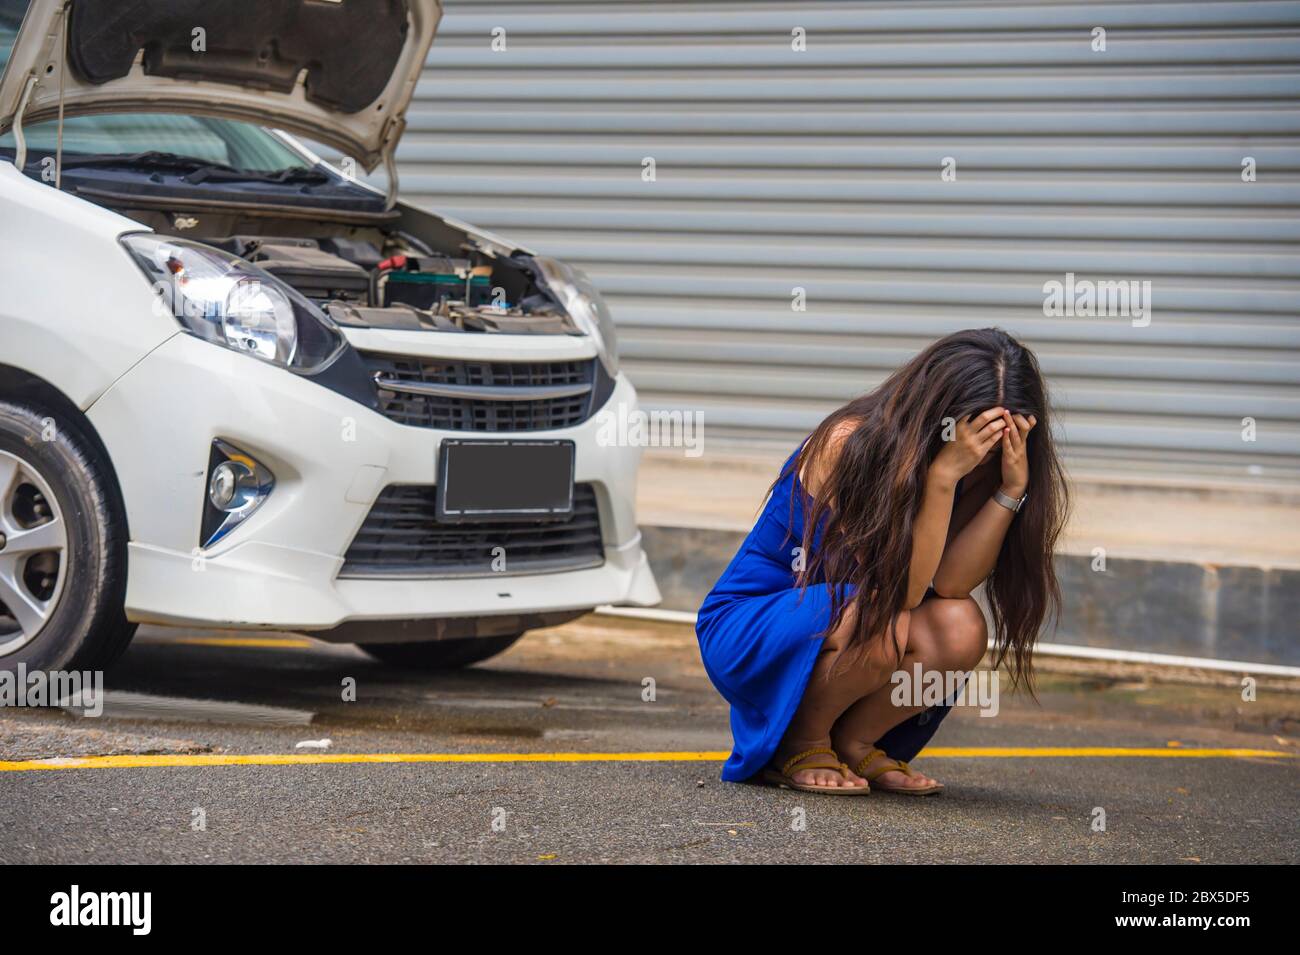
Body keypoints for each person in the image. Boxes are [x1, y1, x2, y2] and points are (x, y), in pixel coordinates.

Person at [696, 328, 1068, 795]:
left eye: (1006, 436)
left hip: (855, 618)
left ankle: (855, 741)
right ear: (935, 414)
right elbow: (904, 593)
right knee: (883, 621)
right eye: (978, 431)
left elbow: (951, 585)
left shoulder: (982, 468)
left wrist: (1009, 491)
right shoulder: (849, 443)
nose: (987, 448)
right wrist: (942, 476)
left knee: (961, 626)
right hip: (753, 622)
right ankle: (801, 742)